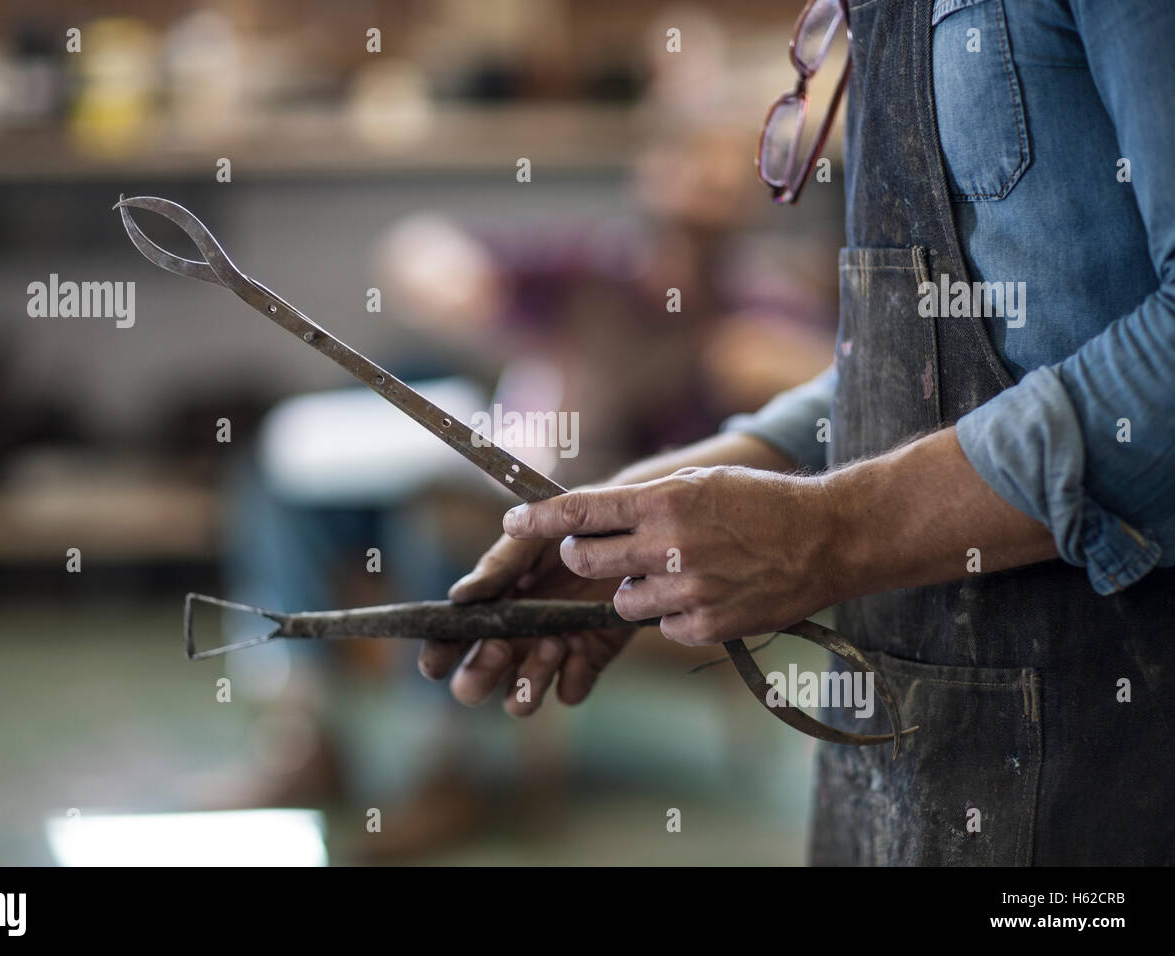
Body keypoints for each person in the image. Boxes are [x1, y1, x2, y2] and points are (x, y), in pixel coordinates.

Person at [417, 0, 1175, 865]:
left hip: (1111, 742)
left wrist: (832, 530)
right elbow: (941, 360)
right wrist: (696, 493)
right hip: (899, 715)